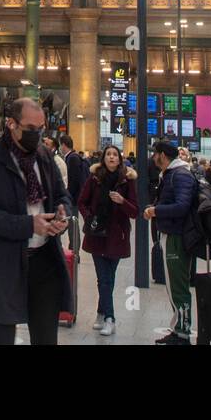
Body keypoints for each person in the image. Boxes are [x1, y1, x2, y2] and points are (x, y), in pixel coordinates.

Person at [0, 97, 73, 345]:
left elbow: (63, 195)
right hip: (3, 263)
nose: (38, 135)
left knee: (46, 338)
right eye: (31, 129)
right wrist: (29, 224)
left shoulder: (45, 157)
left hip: (44, 261)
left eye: (42, 128)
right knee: (1, 338)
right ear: (11, 124)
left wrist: (62, 213)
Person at [76, 144, 138, 336]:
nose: (111, 158)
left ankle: (101, 312)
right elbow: (81, 201)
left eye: (114, 155)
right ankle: (110, 318)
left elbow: (135, 211)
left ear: (120, 159)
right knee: (104, 278)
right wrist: (89, 217)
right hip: (97, 235)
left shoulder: (127, 181)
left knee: (107, 279)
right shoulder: (94, 179)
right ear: (103, 158)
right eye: (108, 155)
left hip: (117, 236)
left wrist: (122, 201)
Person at [142, 139, 197, 345]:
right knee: (174, 285)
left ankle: (183, 333)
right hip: (172, 233)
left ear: (162, 155)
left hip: (177, 236)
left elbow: (182, 206)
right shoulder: (172, 174)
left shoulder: (180, 175)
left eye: (154, 154)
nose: (153, 158)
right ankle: (177, 329)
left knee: (178, 286)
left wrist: (156, 211)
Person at [59, 134, 88, 252]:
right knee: (71, 225)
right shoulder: (73, 157)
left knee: (72, 226)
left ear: (63, 145)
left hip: (73, 199)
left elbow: (73, 180)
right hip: (74, 198)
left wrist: (68, 197)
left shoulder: (72, 158)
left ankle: (74, 252)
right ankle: (73, 250)